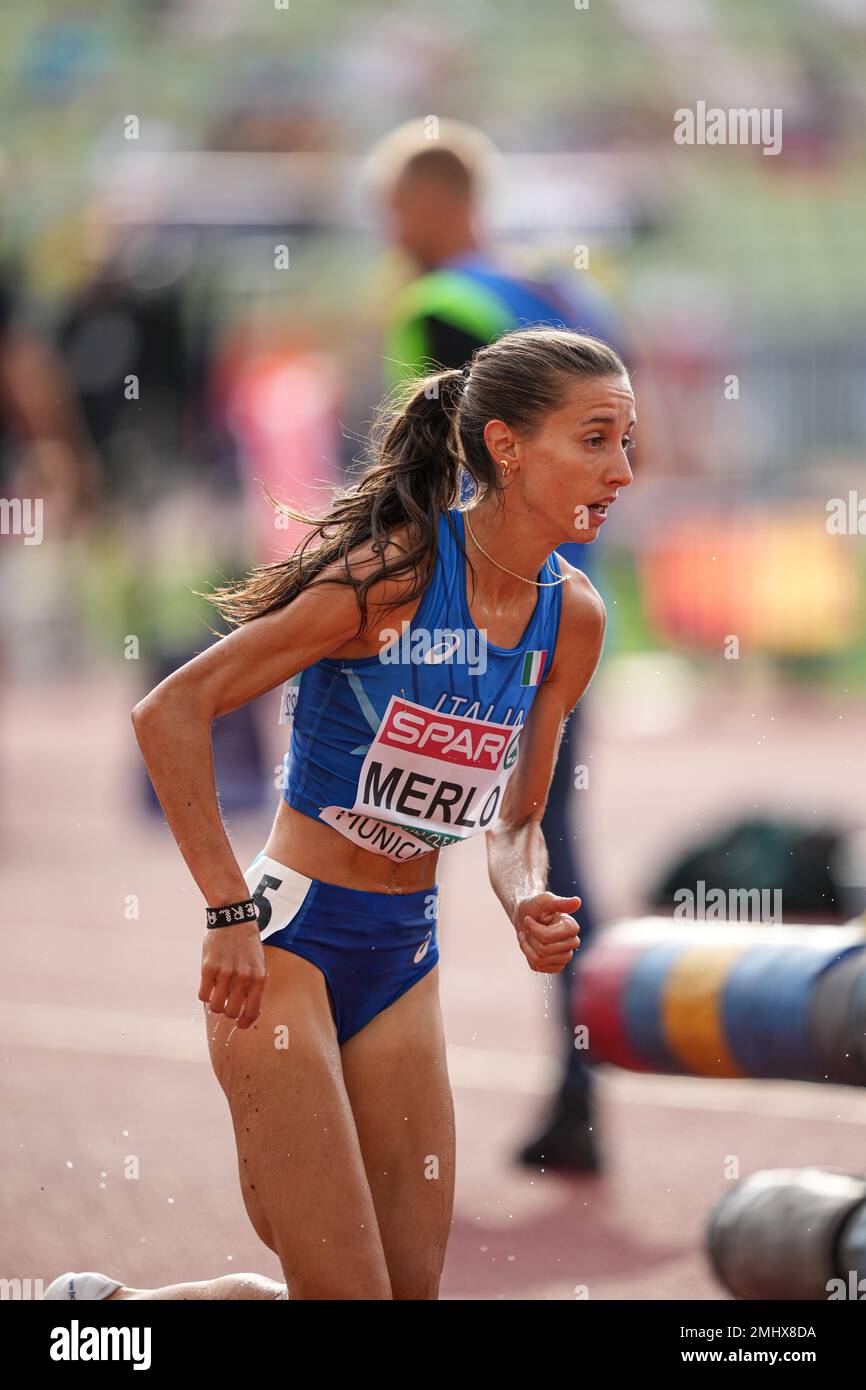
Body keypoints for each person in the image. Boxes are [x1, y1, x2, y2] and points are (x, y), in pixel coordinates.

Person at [45, 326, 635, 1301]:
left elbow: (515, 822)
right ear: (504, 446)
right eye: (595, 438)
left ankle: (118, 1313)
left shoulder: (572, 618)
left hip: (403, 954)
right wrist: (227, 907)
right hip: (285, 949)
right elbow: (172, 711)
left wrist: (523, 895)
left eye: (626, 441)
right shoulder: (393, 574)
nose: (621, 469)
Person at [367, 118, 636, 1170]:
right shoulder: (561, 297)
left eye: (394, 209)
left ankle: (377, 1113)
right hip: (568, 606)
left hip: (466, 615)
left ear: (434, 203)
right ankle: (581, 1092)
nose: (389, 231)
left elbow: (435, 472)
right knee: (547, 848)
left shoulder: (441, 306)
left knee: (378, 844)